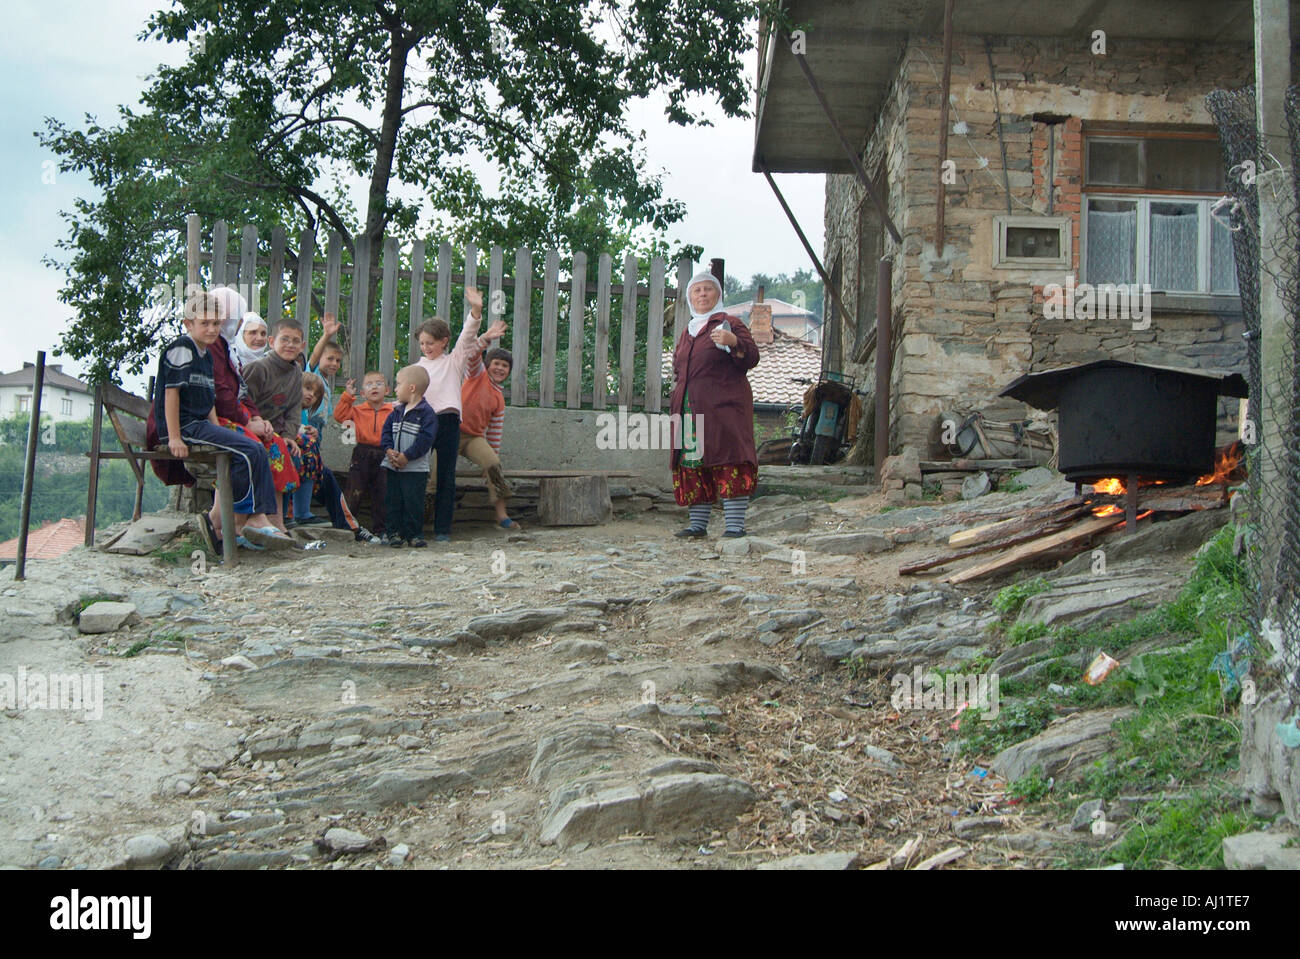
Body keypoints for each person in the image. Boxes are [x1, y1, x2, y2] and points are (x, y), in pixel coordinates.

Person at [153, 291, 291, 550]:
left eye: (216, 323)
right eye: (204, 323)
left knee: (249, 447)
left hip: (203, 426)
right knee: (249, 449)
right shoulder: (182, 348)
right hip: (186, 427)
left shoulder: (206, 354)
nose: (212, 328)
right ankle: (247, 519)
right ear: (188, 324)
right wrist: (173, 437)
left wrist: (217, 429)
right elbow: (171, 394)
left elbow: (208, 400)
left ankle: (227, 520)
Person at [668, 270, 760, 538]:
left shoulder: (729, 323)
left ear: (718, 295)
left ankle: (734, 527)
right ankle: (698, 526)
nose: (702, 295)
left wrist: (733, 342)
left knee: (729, 461)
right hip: (688, 409)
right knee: (693, 463)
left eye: (708, 289)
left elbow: (751, 357)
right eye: (697, 291)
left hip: (723, 409)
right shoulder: (688, 331)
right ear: (690, 298)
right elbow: (679, 368)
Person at [415, 287, 483, 542]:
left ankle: (443, 529)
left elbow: (468, 336)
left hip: (448, 421)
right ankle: (414, 525)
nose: (425, 347)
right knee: (418, 473)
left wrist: (475, 310)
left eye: (430, 343)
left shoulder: (454, 361)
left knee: (445, 475)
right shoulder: (417, 367)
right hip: (423, 422)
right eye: (422, 343)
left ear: (443, 341)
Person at [241, 318, 306, 517]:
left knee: (299, 451)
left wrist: (288, 435)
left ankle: (285, 515)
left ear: (302, 346)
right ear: (271, 341)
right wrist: (257, 426)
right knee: (275, 453)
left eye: (296, 341)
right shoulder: (259, 368)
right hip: (252, 430)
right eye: (284, 339)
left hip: (277, 432)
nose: (290, 345)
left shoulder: (296, 372)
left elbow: (294, 408)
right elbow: (242, 404)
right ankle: (260, 515)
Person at [460, 318, 518, 529]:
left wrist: (491, 456)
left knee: (494, 466)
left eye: (505, 366)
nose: (500, 369)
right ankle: (429, 520)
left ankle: (501, 516)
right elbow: (472, 354)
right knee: (437, 475)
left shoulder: (499, 399)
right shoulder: (476, 375)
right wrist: (486, 338)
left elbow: (494, 433)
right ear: (488, 365)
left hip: (473, 438)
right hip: (450, 433)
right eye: (496, 364)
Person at [381, 365, 438, 547]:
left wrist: (407, 456)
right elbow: (386, 433)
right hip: (393, 466)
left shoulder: (427, 414)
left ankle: (414, 534)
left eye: (398, 384)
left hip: (415, 469)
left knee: (413, 501)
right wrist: (389, 450)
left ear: (411, 387)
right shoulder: (396, 411)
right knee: (393, 500)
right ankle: (393, 533)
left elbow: (426, 440)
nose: (396, 389)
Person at [334, 371, 394, 539]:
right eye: (369, 384)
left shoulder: (392, 410)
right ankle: (348, 526)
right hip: (362, 453)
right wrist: (347, 396)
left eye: (379, 383)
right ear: (362, 393)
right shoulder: (357, 410)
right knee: (354, 489)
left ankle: (381, 529)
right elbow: (339, 416)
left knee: (383, 491)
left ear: (387, 390)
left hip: (384, 453)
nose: (374, 387)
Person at [292, 372, 331, 526]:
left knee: (311, 449)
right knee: (308, 449)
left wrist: (309, 431)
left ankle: (302, 511)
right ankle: (298, 511)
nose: (310, 395)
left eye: (315, 395)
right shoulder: (288, 405)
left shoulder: (303, 412)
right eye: (307, 389)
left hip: (297, 445)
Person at [305, 311, 345, 427]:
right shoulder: (313, 373)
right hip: (309, 423)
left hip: (319, 426)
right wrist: (327, 335)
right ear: (319, 359)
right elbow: (315, 355)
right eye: (330, 359)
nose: (334, 363)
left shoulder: (326, 381)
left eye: (338, 361)